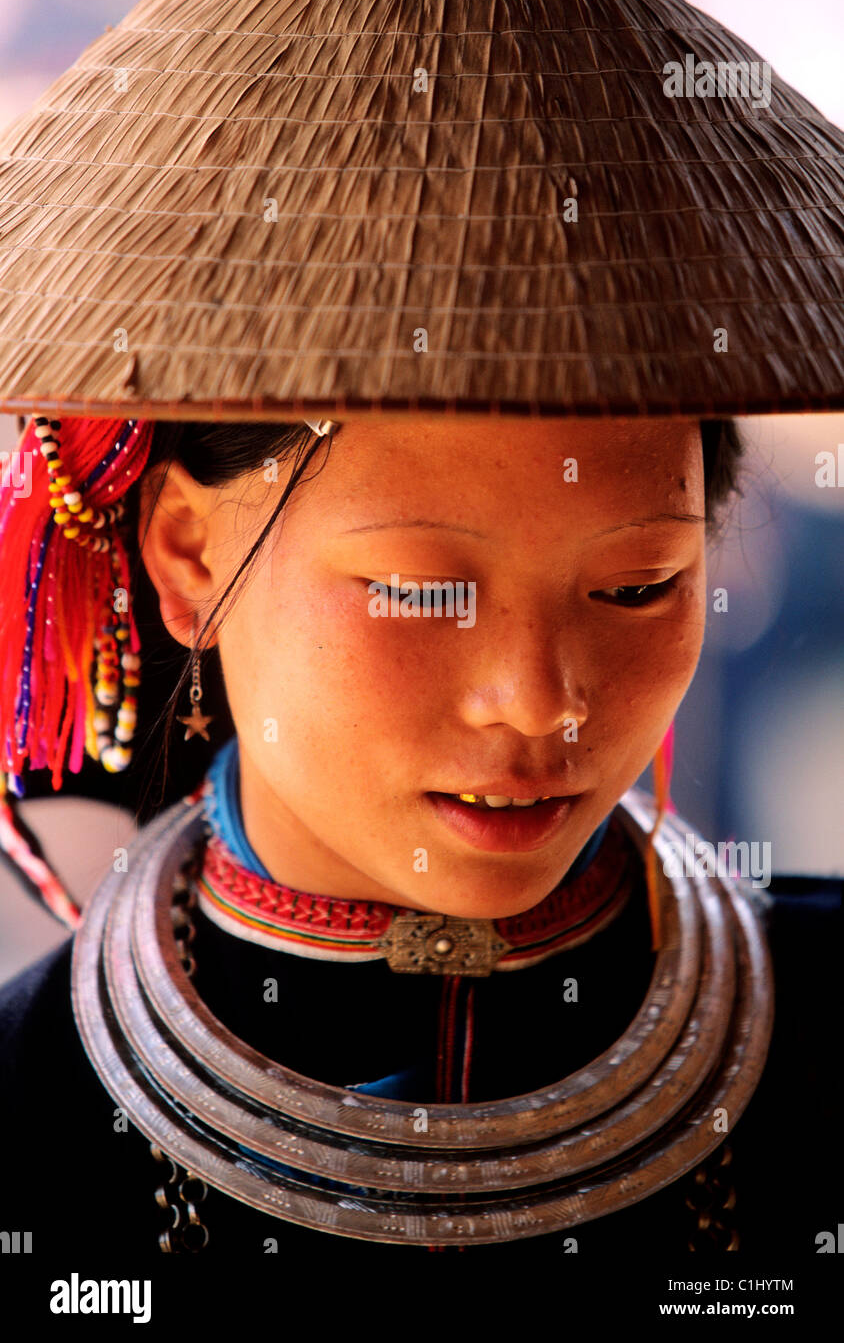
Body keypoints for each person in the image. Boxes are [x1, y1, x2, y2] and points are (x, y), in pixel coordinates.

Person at [0, 410, 837, 1263]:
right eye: (422, 590)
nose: (541, 701)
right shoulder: (25, 1110)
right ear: (192, 555)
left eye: (638, 586)